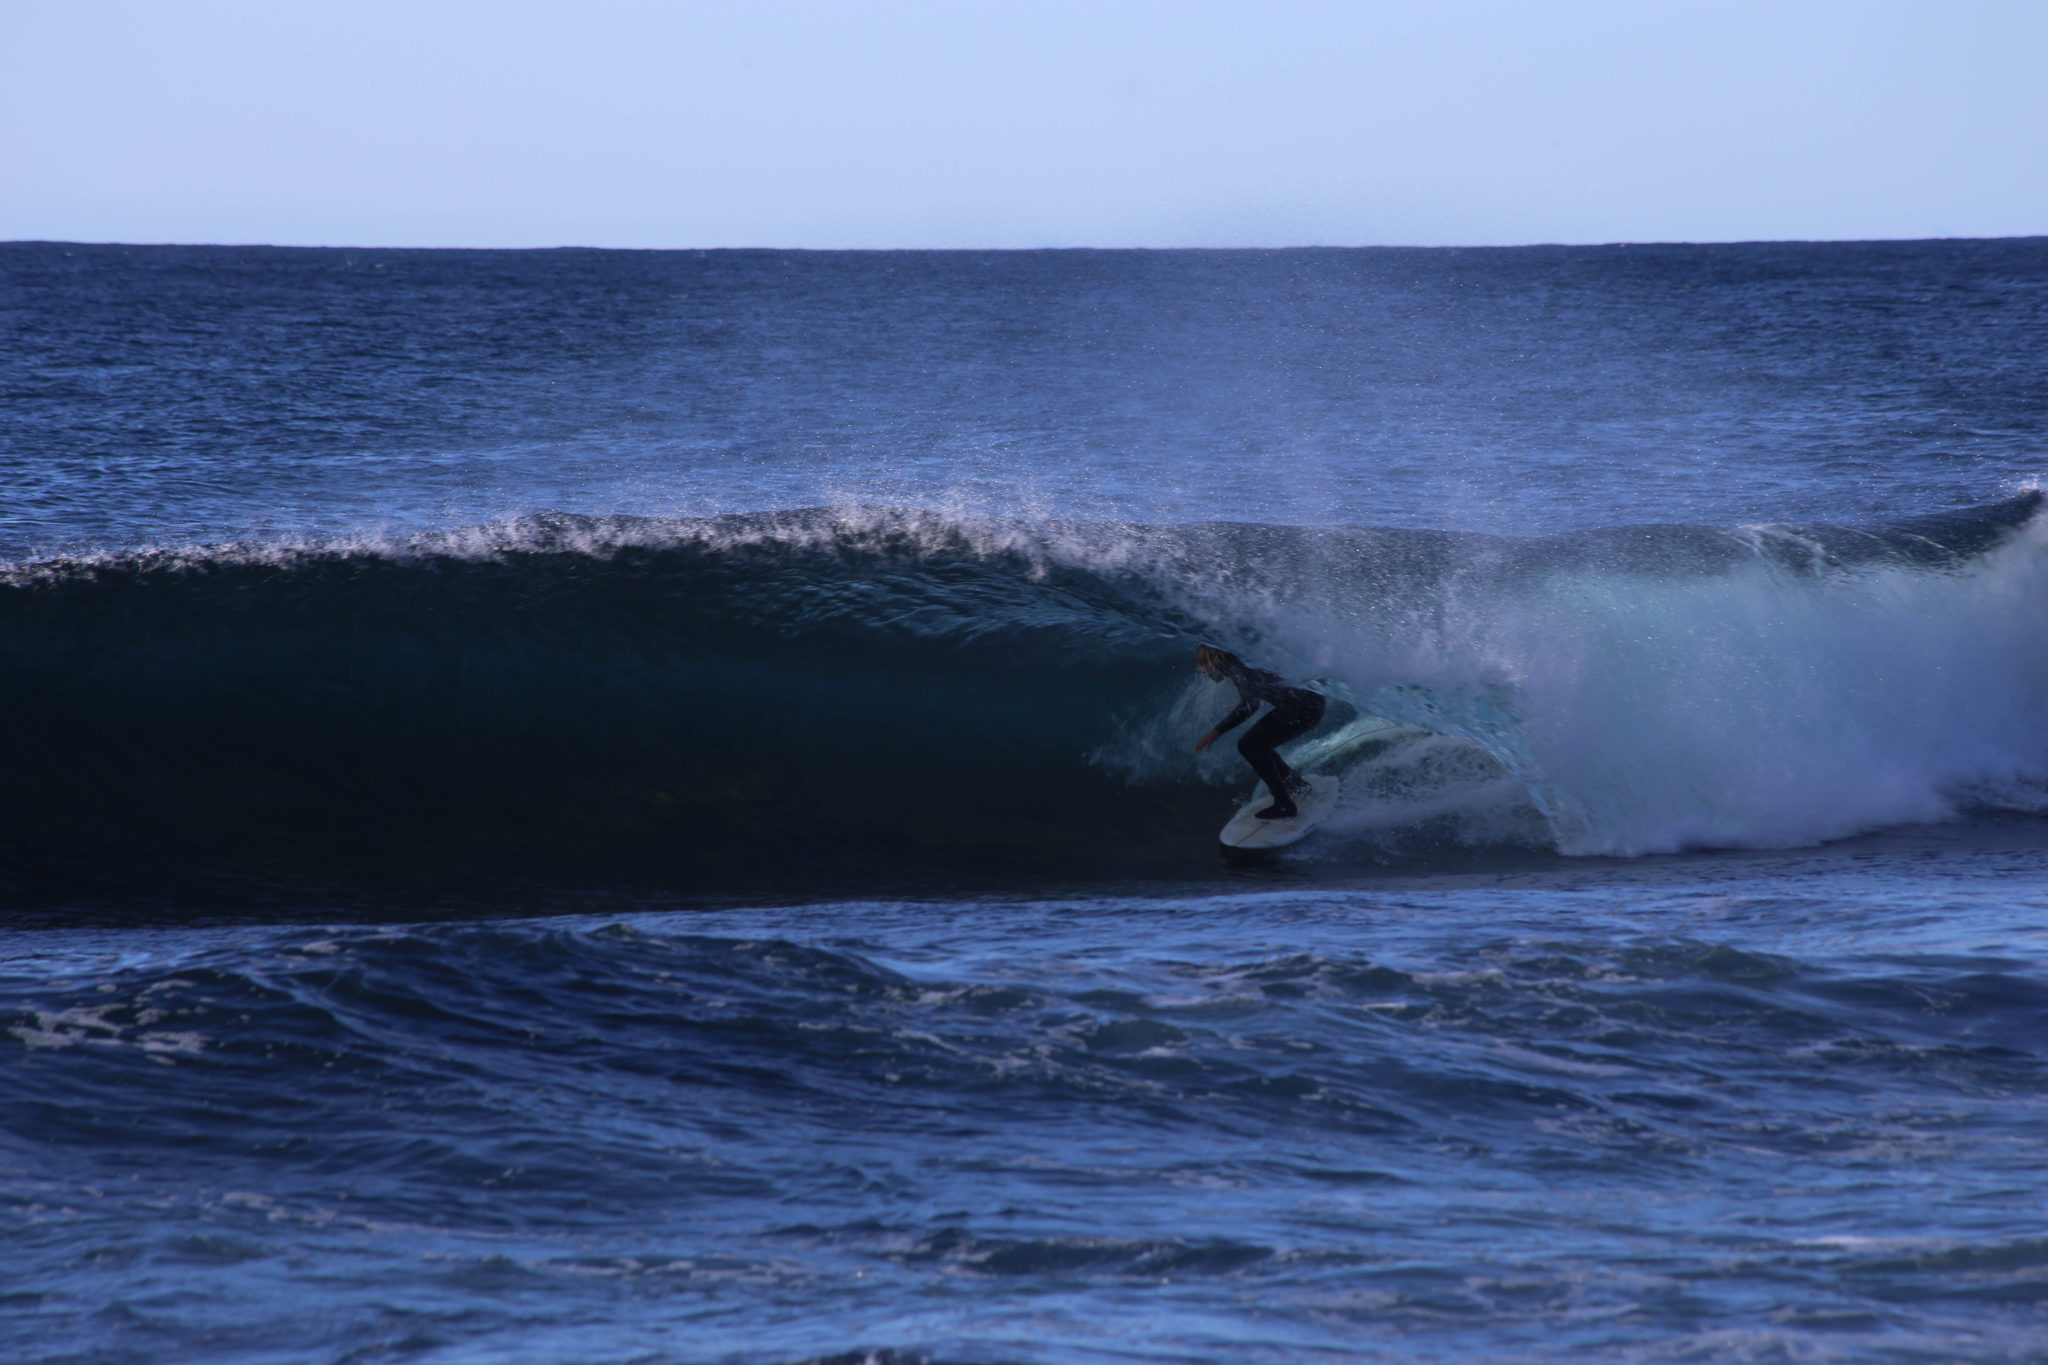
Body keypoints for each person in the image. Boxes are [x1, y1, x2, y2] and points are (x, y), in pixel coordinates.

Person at [1193, 644, 1327, 819]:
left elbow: (1250, 705)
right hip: (1309, 703)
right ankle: (1295, 785)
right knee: (1258, 744)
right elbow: (1253, 700)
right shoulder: (1241, 659)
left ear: (1213, 659)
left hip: (1303, 708)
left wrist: (1217, 731)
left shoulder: (1235, 665)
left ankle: (1284, 805)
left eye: (1205, 665)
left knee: (1249, 745)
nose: (1204, 672)